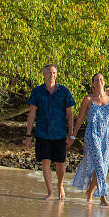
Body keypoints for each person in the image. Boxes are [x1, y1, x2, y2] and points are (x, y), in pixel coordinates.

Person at [72, 73, 109, 207]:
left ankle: (90, 192)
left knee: (102, 166)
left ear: (104, 82)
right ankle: (103, 197)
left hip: (107, 134)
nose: (99, 82)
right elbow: (80, 118)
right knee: (98, 163)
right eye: (96, 80)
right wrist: (73, 135)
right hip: (92, 133)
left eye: (101, 80)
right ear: (92, 84)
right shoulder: (88, 99)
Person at [24, 64, 76, 200]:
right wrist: (28, 135)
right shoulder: (37, 91)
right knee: (45, 162)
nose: (51, 75)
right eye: (49, 73)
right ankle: (50, 192)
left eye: (54, 73)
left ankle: (60, 185)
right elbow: (32, 113)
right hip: (42, 133)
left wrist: (71, 134)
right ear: (44, 74)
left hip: (59, 133)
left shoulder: (64, 91)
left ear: (56, 75)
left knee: (60, 164)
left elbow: (70, 114)